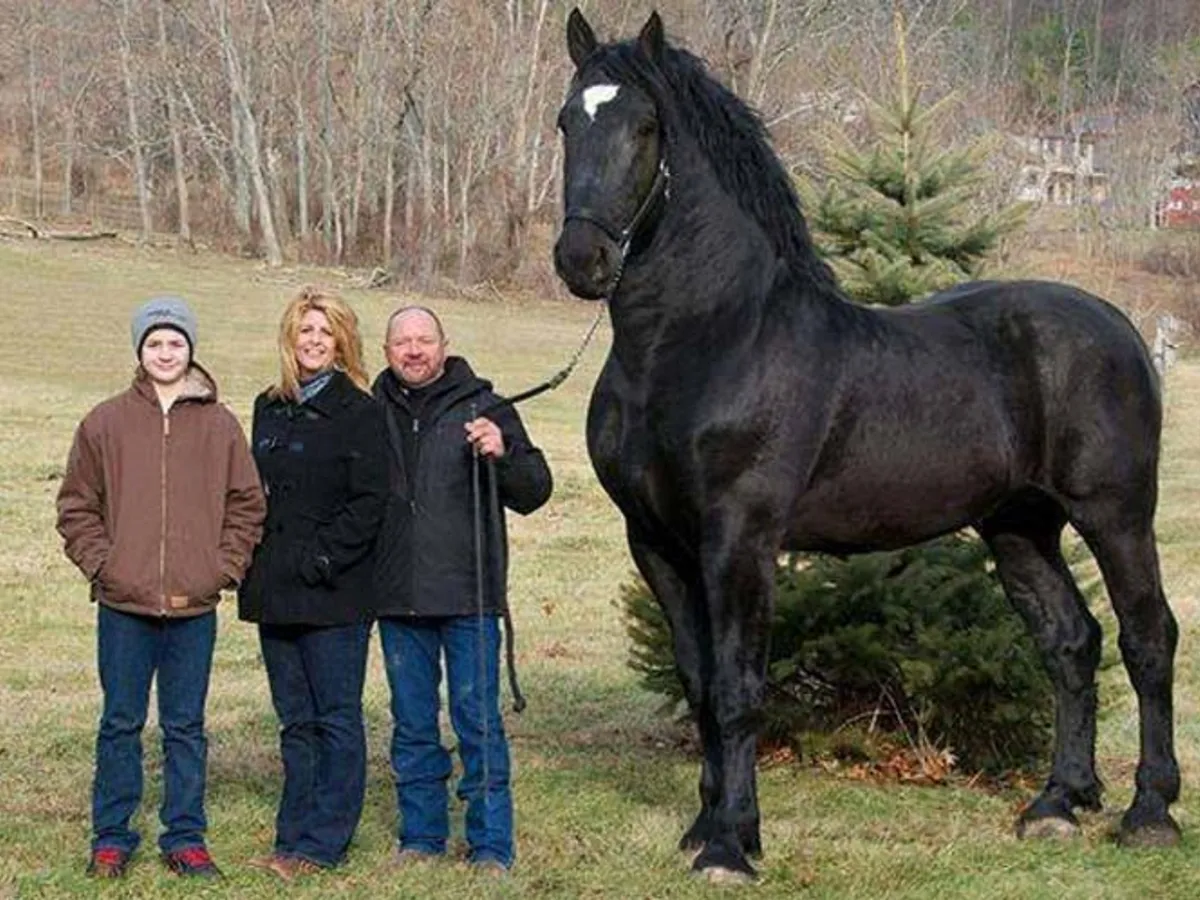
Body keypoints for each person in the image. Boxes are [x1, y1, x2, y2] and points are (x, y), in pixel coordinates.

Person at [56, 296, 266, 880]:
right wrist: (105, 566)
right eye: (155, 343)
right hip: (124, 604)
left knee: (185, 725)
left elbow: (247, 505)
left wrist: (221, 569)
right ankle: (111, 837)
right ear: (140, 352)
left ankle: (185, 836)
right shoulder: (105, 422)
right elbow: (77, 506)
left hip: (194, 605)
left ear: (190, 349)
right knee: (120, 721)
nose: (166, 352)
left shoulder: (220, 425)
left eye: (175, 343)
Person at [373, 305, 553, 874]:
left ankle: (491, 845)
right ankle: (422, 837)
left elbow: (536, 490)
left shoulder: (486, 406)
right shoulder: (368, 411)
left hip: (470, 598)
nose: (414, 350)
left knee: (477, 721)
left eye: (424, 339)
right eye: (402, 341)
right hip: (398, 599)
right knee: (413, 724)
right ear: (387, 351)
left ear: (444, 346)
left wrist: (502, 454)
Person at [238, 286, 389, 881]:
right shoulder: (268, 406)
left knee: (336, 718)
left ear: (342, 342)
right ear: (290, 338)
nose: (315, 342)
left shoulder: (361, 411)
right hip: (274, 589)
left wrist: (324, 559)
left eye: (325, 333)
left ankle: (325, 841)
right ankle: (291, 833)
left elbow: (371, 501)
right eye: (306, 332)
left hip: (334, 592)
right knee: (294, 719)